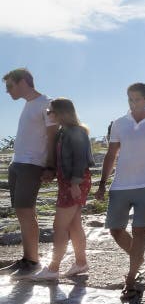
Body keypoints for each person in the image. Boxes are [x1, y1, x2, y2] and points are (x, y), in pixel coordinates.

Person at [95, 83, 145, 298]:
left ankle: (130, 279)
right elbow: (111, 155)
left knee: (140, 231)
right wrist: (102, 183)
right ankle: (137, 259)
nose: (133, 103)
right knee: (115, 230)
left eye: (137, 99)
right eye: (130, 99)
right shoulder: (119, 124)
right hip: (120, 184)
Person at [1, 68, 57, 279]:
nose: (7, 91)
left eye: (10, 86)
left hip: (32, 164)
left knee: (26, 211)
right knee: (22, 211)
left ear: (23, 82)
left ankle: (32, 261)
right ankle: (28, 258)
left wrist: (50, 166)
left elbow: (52, 136)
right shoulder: (28, 105)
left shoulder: (47, 103)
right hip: (17, 163)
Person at [30, 98, 94, 281]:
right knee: (74, 224)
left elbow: (80, 160)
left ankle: (53, 268)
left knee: (59, 226)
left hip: (76, 181)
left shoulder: (77, 132)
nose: (49, 114)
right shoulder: (62, 133)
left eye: (51, 111)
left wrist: (74, 184)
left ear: (61, 112)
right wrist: (52, 172)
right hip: (69, 181)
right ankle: (81, 263)